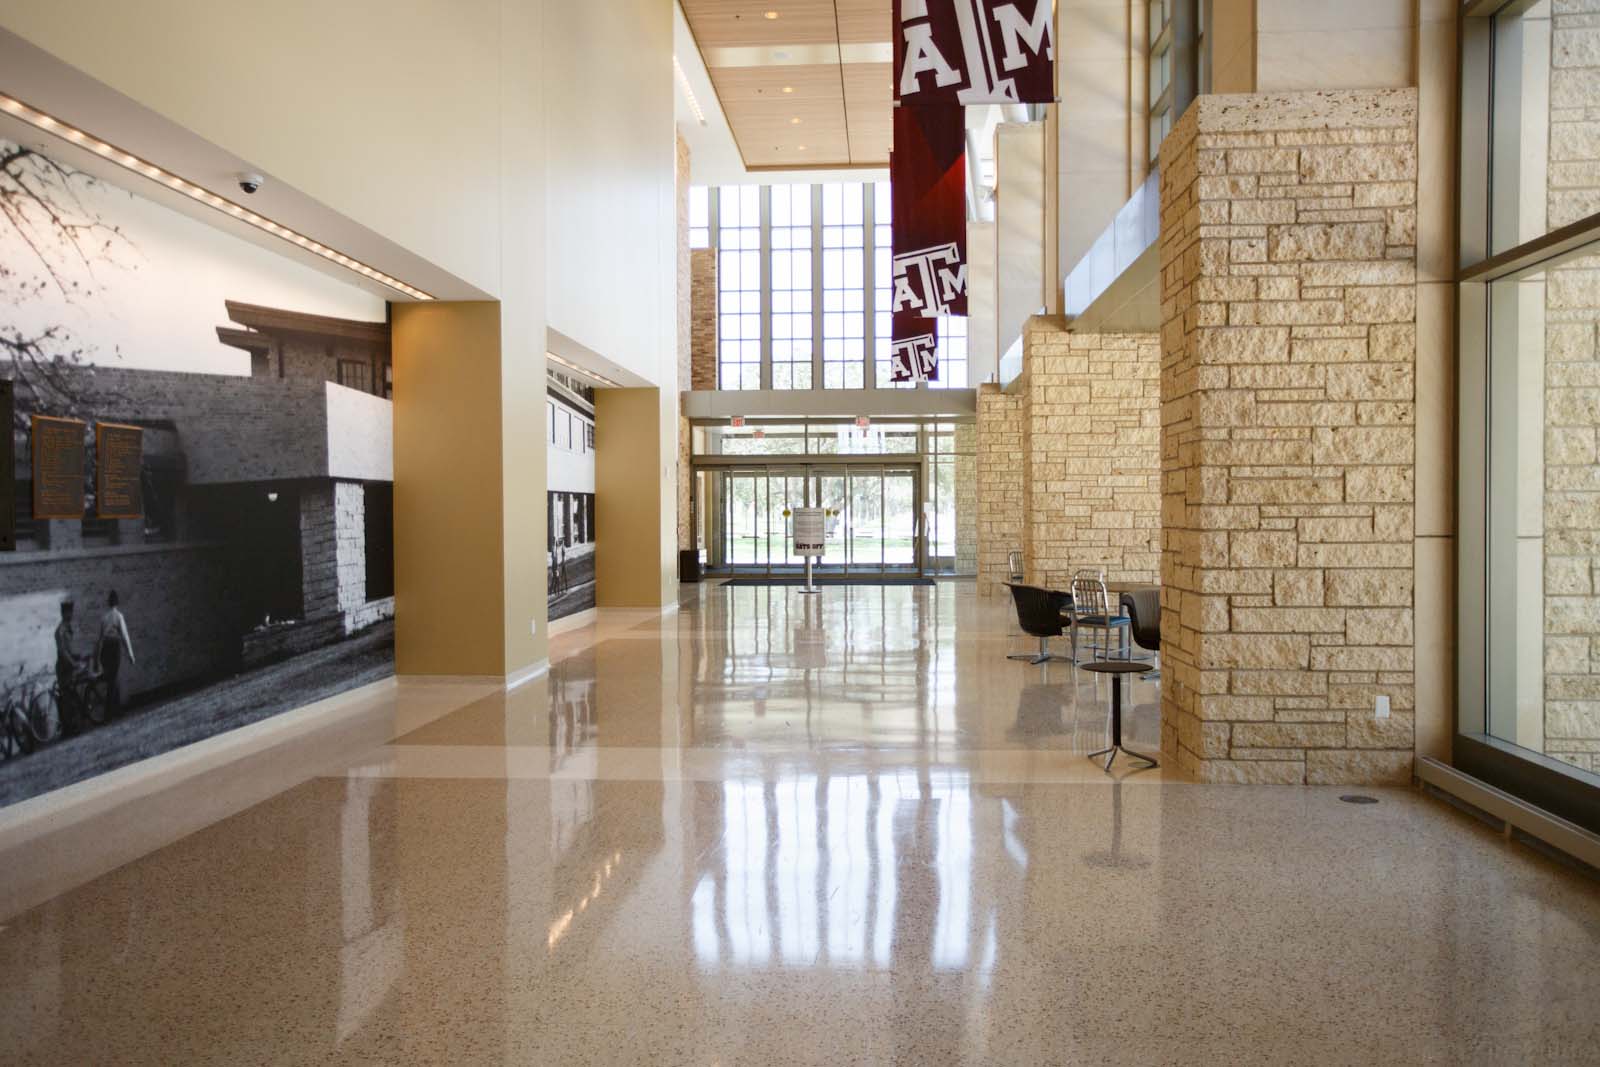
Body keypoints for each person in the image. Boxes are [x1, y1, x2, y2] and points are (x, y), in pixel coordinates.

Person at [98, 590, 135, 717]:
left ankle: (116, 708)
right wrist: (130, 653)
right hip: (114, 647)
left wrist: (99, 657)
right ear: (117, 602)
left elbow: (101, 638)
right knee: (114, 679)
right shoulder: (118, 616)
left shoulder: (104, 618)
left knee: (112, 678)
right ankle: (110, 710)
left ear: (109, 603)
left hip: (105, 649)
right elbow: (124, 636)